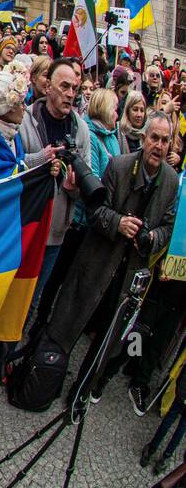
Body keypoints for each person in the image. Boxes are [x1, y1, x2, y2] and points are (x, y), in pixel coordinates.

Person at [44, 111, 178, 412]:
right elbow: (94, 211)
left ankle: (82, 390)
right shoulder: (119, 167)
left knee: (108, 339)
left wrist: (152, 238)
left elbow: (168, 227)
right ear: (143, 140)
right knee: (70, 320)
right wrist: (117, 223)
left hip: (130, 275)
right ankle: (46, 375)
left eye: (164, 140)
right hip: (98, 262)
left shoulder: (171, 182)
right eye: (154, 138)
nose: (158, 146)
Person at [20, 59, 90, 300]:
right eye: (64, 87)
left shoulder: (81, 129)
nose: (70, 94)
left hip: (55, 232)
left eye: (75, 88)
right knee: (14, 298)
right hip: (24, 226)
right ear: (48, 86)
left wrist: (73, 188)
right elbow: (11, 165)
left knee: (33, 299)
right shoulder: (25, 119)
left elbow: (87, 178)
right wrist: (39, 160)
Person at [120, 89, 147, 154]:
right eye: (135, 110)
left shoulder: (147, 134)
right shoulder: (118, 132)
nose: (139, 115)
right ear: (127, 111)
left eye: (142, 110)